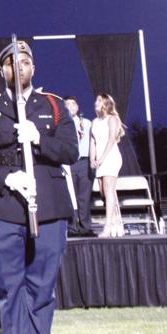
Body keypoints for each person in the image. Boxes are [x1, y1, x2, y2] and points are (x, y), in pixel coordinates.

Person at [0, 40, 78, 334]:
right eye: (11, 63)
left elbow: (71, 151)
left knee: (43, 280)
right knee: (9, 280)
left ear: (34, 68)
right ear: (3, 71)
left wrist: (40, 139)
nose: (19, 68)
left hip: (49, 205)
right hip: (2, 203)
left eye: (25, 62)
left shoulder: (54, 106)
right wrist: (7, 178)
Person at [91, 93, 125, 238]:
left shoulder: (112, 119)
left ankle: (108, 226)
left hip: (110, 157)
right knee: (103, 192)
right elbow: (93, 141)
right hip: (99, 159)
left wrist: (102, 158)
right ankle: (117, 221)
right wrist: (92, 158)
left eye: (99, 100)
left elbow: (112, 139)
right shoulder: (95, 121)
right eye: (97, 100)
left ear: (106, 103)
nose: (96, 102)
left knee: (109, 189)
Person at [63, 97, 95, 237]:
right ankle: (72, 227)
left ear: (78, 107)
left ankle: (85, 227)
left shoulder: (86, 123)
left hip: (84, 161)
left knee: (84, 195)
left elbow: (94, 142)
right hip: (68, 162)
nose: (71, 106)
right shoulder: (61, 124)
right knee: (70, 195)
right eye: (67, 104)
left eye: (73, 103)